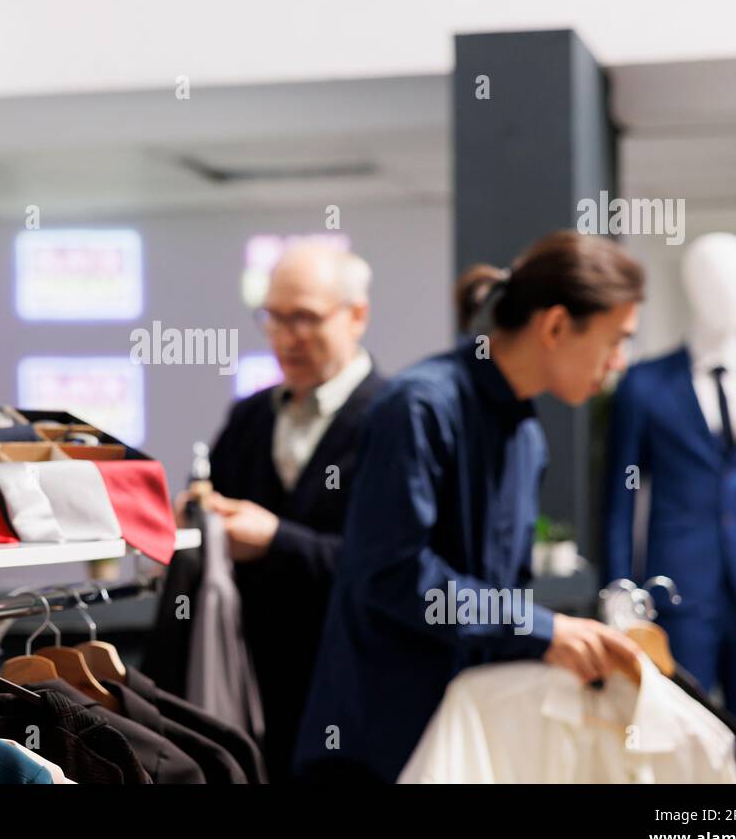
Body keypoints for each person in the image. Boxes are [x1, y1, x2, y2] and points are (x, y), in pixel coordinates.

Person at [294, 230, 648, 783]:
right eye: (615, 340)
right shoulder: (419, 406)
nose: (619, 362)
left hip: (468, 734)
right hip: (377, 746)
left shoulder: (527, 439)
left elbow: (498, 591)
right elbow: (393, 574)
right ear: (555, 326)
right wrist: (542, 631)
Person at [189, 242, 388, 782]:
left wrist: (277, 538)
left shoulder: (393, 420)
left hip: (354, 694)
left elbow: (394, 567)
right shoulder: (250, 416)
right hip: (252, 693)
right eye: (272, 318)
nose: (284, 337)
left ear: (357, 315)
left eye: (304, 317)